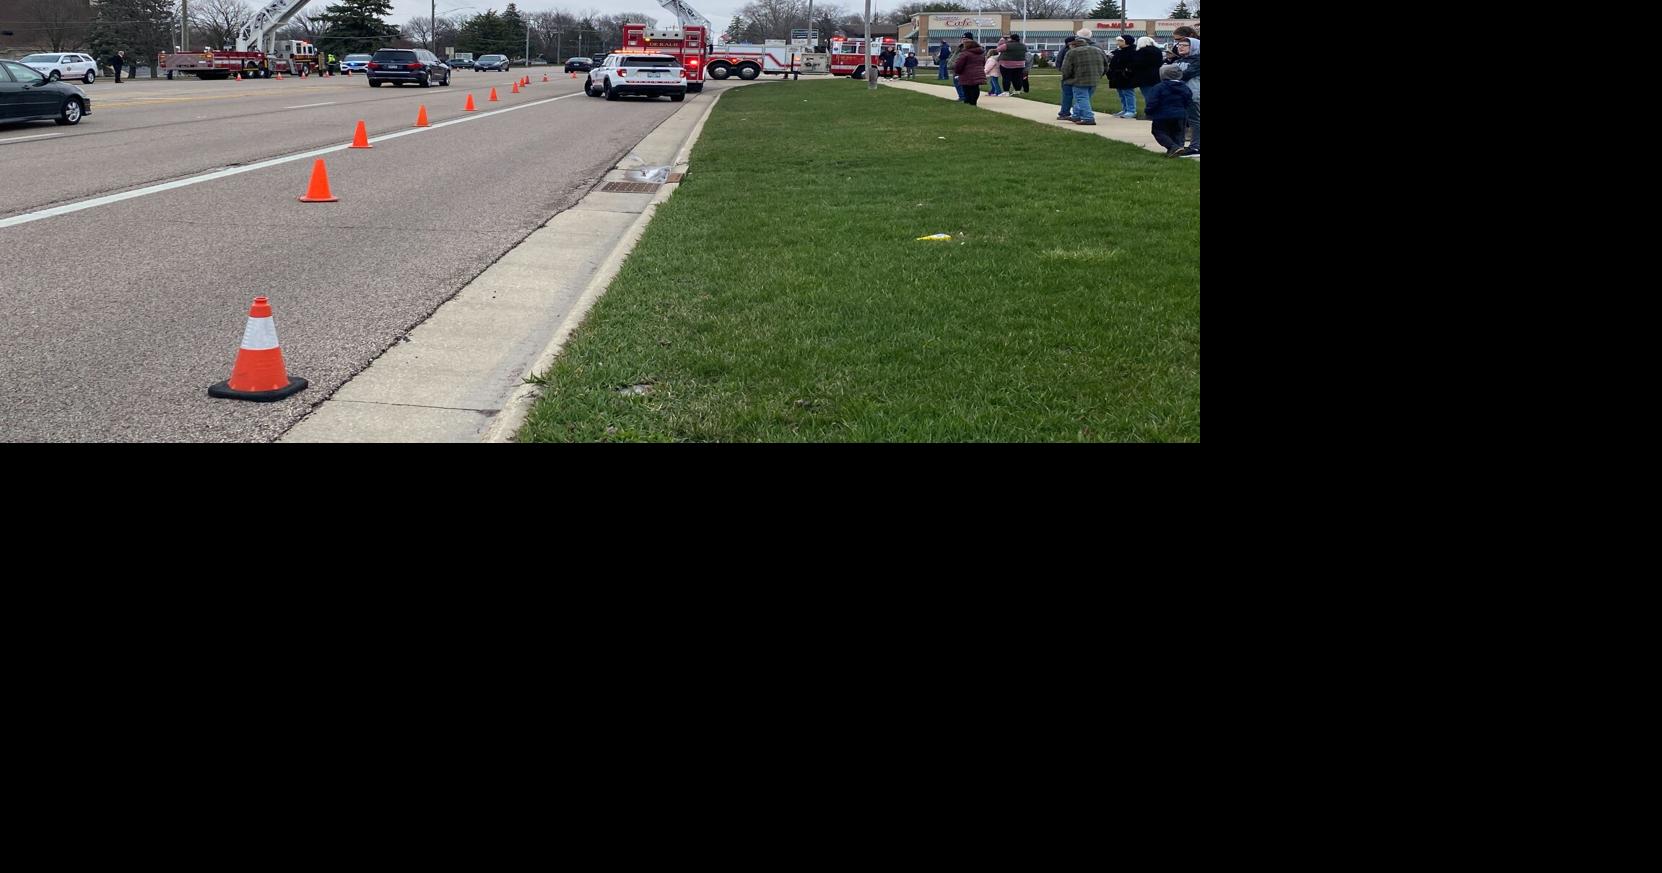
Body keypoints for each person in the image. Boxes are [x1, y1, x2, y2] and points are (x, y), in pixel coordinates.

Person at [1146, 64, 1194, 156]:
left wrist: (1149, 111)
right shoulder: (1184, 87)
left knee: (1158, 131)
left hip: (1162, 115)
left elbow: (1152, 101)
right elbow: (1188, 100)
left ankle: (1173, 147)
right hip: (1180, 114)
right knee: (1178, 132)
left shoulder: (1159, 87)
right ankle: (1178, 148)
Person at [1058, 33, 1104, 125]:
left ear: (1073, 45)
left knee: (1082, 98)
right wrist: (1099, 75)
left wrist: (1067, 78)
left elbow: (1066, 69)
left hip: (1078, 80)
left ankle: (1088, 118)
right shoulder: (1097, 50)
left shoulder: (1072, 52)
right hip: (1094, 79)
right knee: (1084, 98)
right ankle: (1077, 115)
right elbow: (1105, 65)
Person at [951, 38, 987, 105]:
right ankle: (973, 102)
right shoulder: (981, 54)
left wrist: (957, 71)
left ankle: (968, 102)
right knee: (975, 88)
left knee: (967, 89)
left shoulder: (965, 54)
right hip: (978, 73)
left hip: (966, 74)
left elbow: (959, 64)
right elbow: (983, 63)